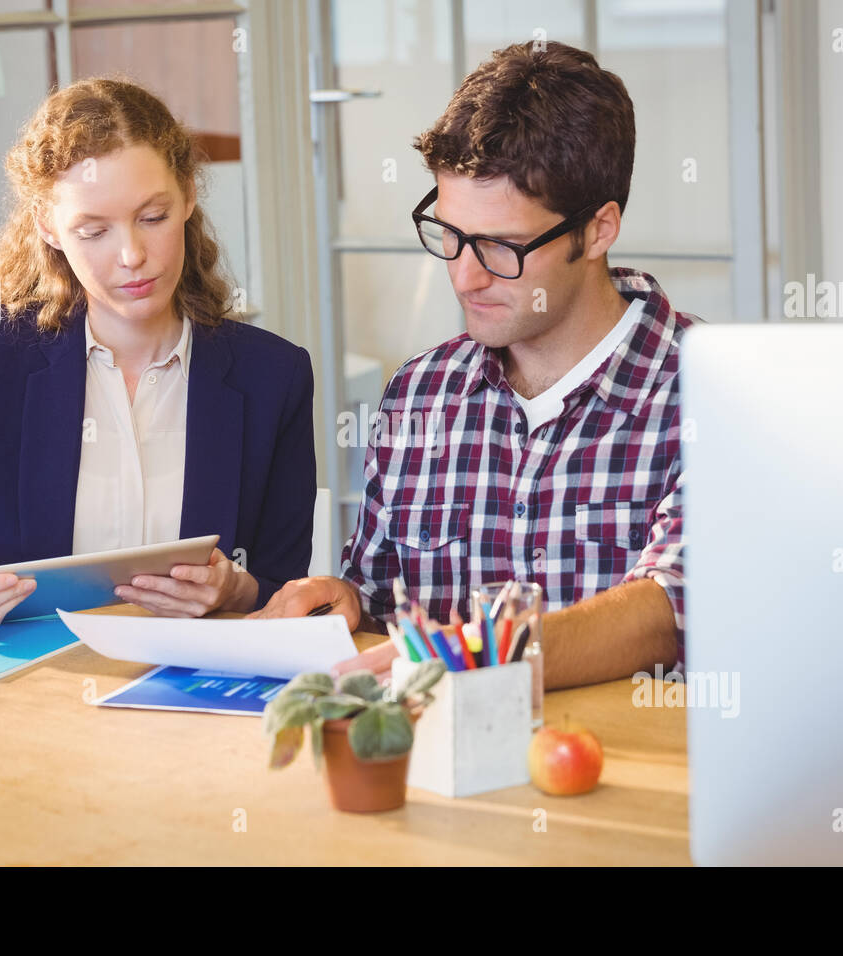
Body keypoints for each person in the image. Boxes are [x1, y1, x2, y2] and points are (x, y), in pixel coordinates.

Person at [254, 41, 696, 689]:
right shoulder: (420, 393)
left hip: (619, 776)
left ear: (599, 230)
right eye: (452, 235)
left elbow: (672, 609)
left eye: (501, 247)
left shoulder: (712, 392)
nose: (464, 277)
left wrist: (471, 653)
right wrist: (339, 599)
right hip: (437, 774)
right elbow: (377, 597)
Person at [0, 78, 316, 638]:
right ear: (48, 227)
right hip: (36, 695)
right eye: (94, 230)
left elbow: (286, 588)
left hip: (194, 696)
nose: (132, 255)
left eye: (152, 217)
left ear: (187, 194)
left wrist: (237, 590)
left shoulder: (273, 376)